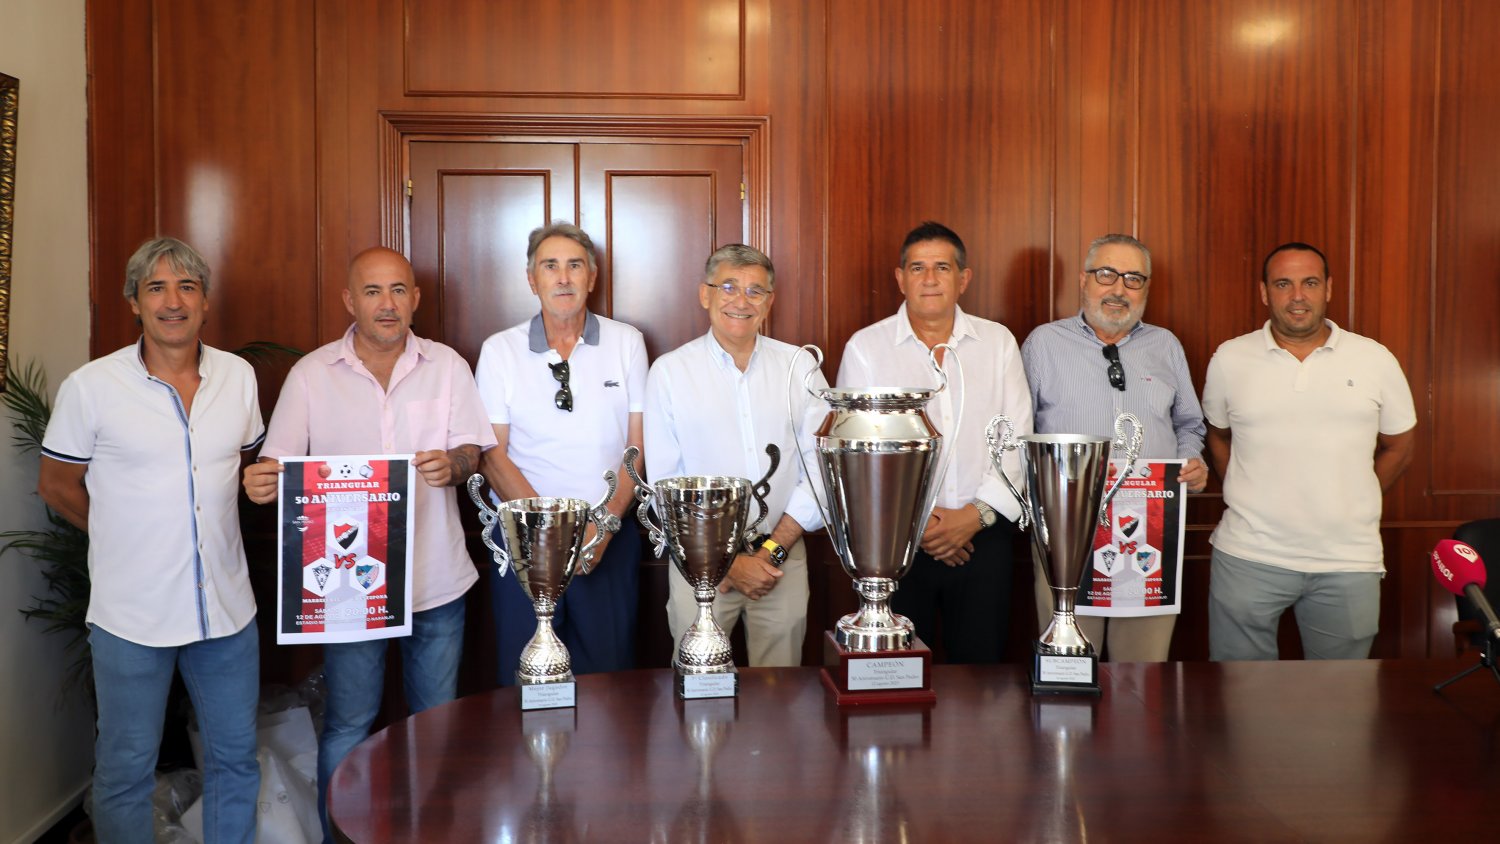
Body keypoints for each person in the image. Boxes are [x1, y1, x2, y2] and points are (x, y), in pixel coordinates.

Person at [242, 246, 496, 840]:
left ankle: (431, 834)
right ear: (349, 301)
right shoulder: (311, 374)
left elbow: (472, 451)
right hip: (348, 589)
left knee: (436, 723)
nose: (388, 304)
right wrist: (261, 482)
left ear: (416, 298)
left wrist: (453, 465)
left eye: (400, 290)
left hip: (435, 578)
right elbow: (277, 466)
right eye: (374, 292)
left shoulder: (448, 365)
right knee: (350, 724)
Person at [39, 237, 263, 844]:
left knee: (235, 762)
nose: (172, 301)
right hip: (130, 617)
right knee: (124, 772)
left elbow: (243, 467)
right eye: (156, 288)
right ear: (133, 303)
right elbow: (58, 486)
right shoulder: (92, 387)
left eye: (187, 287)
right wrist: (119, 533)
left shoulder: (238, 378)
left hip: (226, 612)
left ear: (206, 303)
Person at [1202, 242, 1416, 660]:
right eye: (1283, 284)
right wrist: (1245, 491)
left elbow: (1401, 445)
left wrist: (1357, 498)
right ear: (1265, 292)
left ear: (1328, 289)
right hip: (1248, 555)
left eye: (1310, 282)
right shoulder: (1230, 359)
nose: (1297, 296)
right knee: (1240, 698)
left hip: (1348, 560)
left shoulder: (1375, 359)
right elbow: (1217, 434)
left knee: (1341, 706)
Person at [837, 221, 1031, 663]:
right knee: (898, 676)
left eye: (942, 267)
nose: (929, 279)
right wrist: (920, 527)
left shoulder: (997, 343)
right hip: (896, 546)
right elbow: (859, 455)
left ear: (963, 278)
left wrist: (973, 516)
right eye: (917, 267)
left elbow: (1016, 439)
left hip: (985, 538)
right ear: (900, 278)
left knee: (981, 676)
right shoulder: (867, 348)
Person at [1021, 233, 1207, 662]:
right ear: (1084, 281)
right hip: (1067, 529)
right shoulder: (1043, 344)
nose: (1118, 289)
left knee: (1141, 675)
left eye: (1133, 279)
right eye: (1106, 275)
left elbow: (1190, 425)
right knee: (1069, 667)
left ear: (1147, 288)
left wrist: (1191, 461)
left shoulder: (1166, 346)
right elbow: (1020, 434)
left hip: (1150, 533)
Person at [475, 222, 646, 682]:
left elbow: (638, 447)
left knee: (608, 682)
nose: (563, 277)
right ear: (532, 280)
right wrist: (548, 534)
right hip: (524, 542)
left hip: (606, 540)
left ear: (592, 277)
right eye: (550, 266)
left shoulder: (627, 342)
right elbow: (492, 455)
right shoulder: (500, 350)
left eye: (575, 266)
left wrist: (603, 527)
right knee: (530, 680)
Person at [644, 244, 826, 667]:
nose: (741, 301)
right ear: (705, 294)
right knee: (698, 690)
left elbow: (820, 471)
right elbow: (665, 486)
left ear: (770, 301)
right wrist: (724, 567)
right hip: (699, 567)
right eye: (728, 286)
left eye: (755, 291)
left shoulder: (799, 368)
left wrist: (770, 552)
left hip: (780, 559)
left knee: (781, 693)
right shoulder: (670, 373)